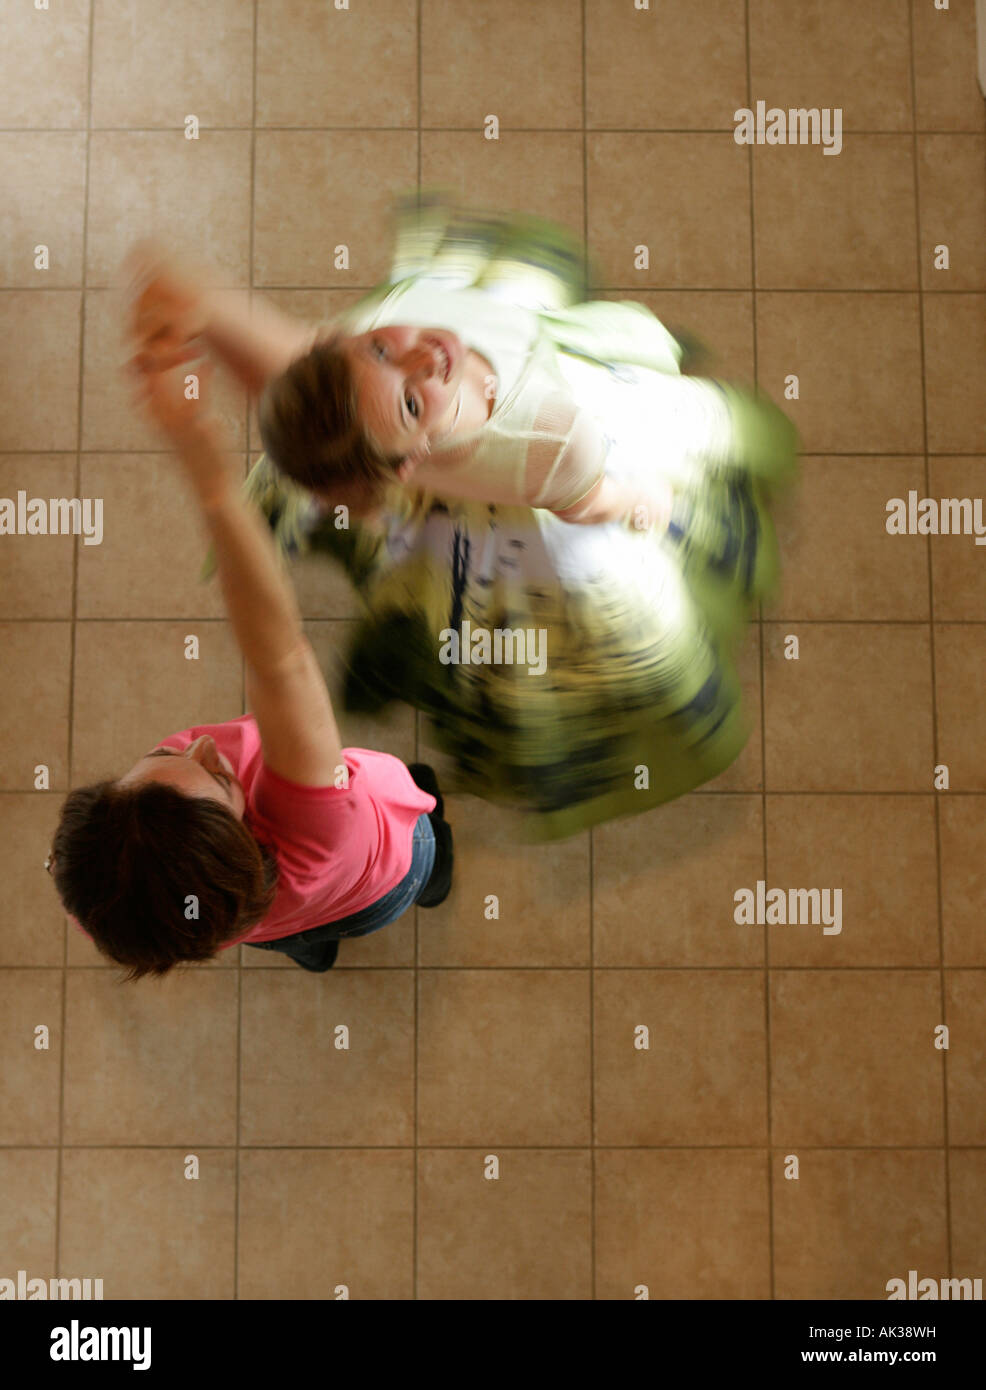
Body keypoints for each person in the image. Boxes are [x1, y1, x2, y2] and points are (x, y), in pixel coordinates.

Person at [126, 188, 799, 839]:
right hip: (547, 486)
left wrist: (187, 301)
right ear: (409, 465)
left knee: (309, 379)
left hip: (419, 440)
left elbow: (288, 359)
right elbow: (591, 500)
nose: (424, 357)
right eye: (412, 404)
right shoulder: (555, 442)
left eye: (380, 349)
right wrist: (640, 503)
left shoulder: (355, 382)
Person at [46, 345, 454, 980]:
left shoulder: (114, 886)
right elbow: (280, 661)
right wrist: (210, 483)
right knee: (425, 844)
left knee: (298, 931)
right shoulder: (317, 829)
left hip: (265, 920)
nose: (205, 747)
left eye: (159, 763)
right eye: (219, 780)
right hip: (381, 876)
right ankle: (430, 876)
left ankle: (309, 946)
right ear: (250, 842)